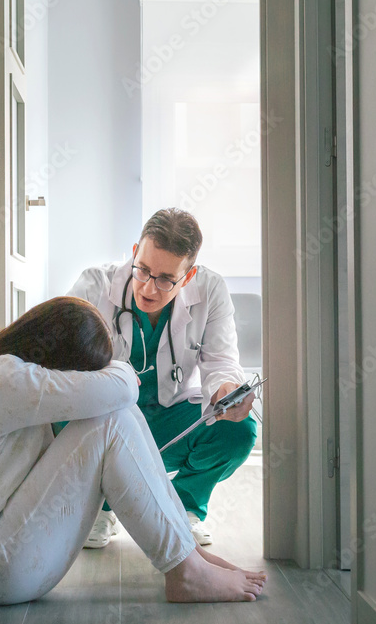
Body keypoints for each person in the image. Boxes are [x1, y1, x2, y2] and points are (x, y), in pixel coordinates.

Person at [0, 295, 267, 606]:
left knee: (116, 414)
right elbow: (121, 389)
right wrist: (117, 369)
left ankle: (185, 555)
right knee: (111, 420)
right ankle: (186, 571)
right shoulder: (1, 380)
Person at [68, 208, 257, 549]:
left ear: (188, 276)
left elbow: (222, 360)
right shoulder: (95, 284)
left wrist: (227, 390)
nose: (149, 287)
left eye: (166, 279)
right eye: (142, 270)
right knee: (60, 416)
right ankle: (101, 507)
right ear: (134, 252)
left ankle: (185, 508)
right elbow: (62, 363)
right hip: (108, 421)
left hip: (170, 418)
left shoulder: (210, 290)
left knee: (239, 431)